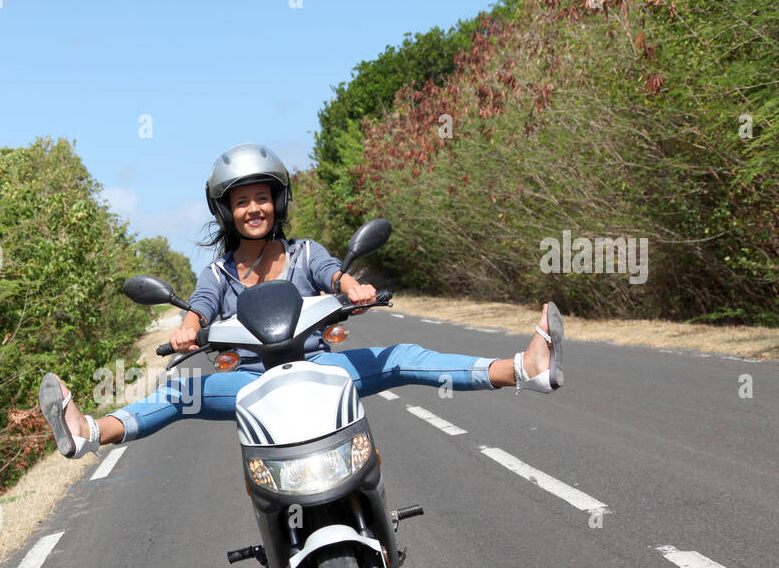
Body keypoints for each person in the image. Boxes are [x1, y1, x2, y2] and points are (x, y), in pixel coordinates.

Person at [40, 143, 563, 459]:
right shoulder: (218, 271)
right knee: (179, 394)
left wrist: (350, 287)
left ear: (279, 200)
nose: (253, 208)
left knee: (404, 357)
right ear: (225, 212)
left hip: (318, 368)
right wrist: (189, 324)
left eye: (262, 196)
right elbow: (201, 303)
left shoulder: (306, 252)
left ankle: (524, 369)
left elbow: (331, 273)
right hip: (250, 382)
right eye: (241, 201)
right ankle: (88, 433)